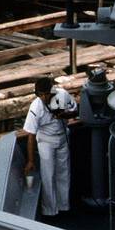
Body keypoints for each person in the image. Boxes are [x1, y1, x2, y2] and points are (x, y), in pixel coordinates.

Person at [23, 76, 75, 217]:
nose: (45, 97)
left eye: (47, 93)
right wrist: (31, 160)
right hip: (46, 141)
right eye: (41, 95)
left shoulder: (63, 95)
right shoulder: (35, 107)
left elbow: (75, 110)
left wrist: (64, 114)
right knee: (48, 174)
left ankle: (64, 206)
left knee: (64, 173)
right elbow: (31, 135)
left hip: (63, 138)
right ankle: (50, 211)